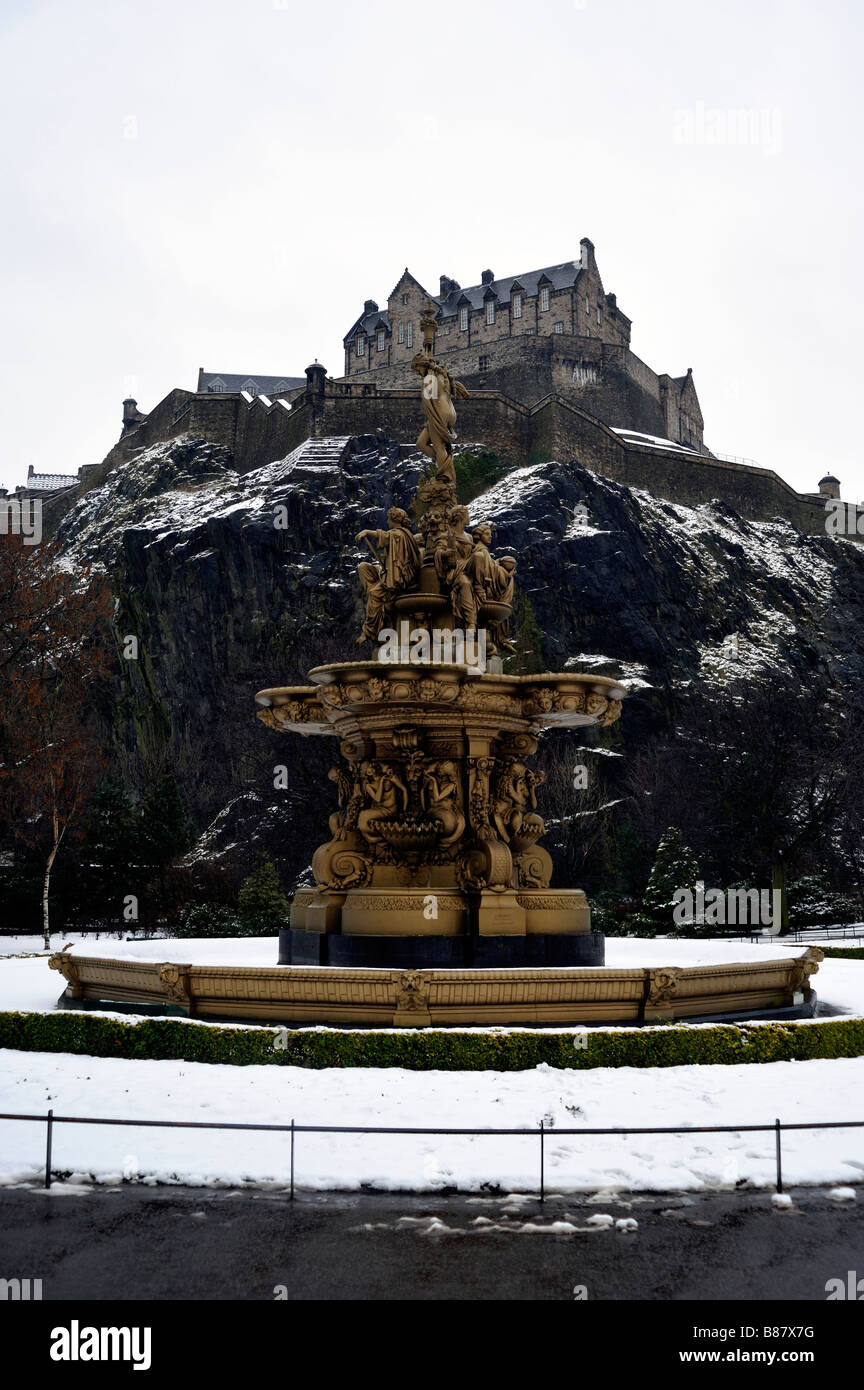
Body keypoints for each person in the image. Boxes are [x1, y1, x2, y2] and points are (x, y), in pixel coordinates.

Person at [356, 507, 421, 642]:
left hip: (398, 578)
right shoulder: (401, 534)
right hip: (389, 572)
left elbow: (386, 536)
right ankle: (381, 601)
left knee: (374, 594)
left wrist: (367, 532)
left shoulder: (399, 534)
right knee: (363, 567)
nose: (387, 521)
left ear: (394, 519)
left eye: (388, 519)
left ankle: (370, 631)